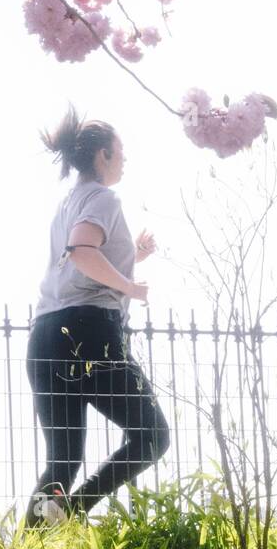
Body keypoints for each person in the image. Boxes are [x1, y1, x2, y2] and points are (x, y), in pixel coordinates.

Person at [23, 106, 171, 526]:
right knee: (152, 436)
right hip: (89, 333)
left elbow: (81, 262)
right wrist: (130, 287)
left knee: (63, 459)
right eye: (120, 152)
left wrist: (131, 258)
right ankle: (72, 511)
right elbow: (83, 252)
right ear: (103, 155)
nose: (125, 160)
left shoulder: (67, 202)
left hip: (47, 334)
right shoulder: (104, 198)